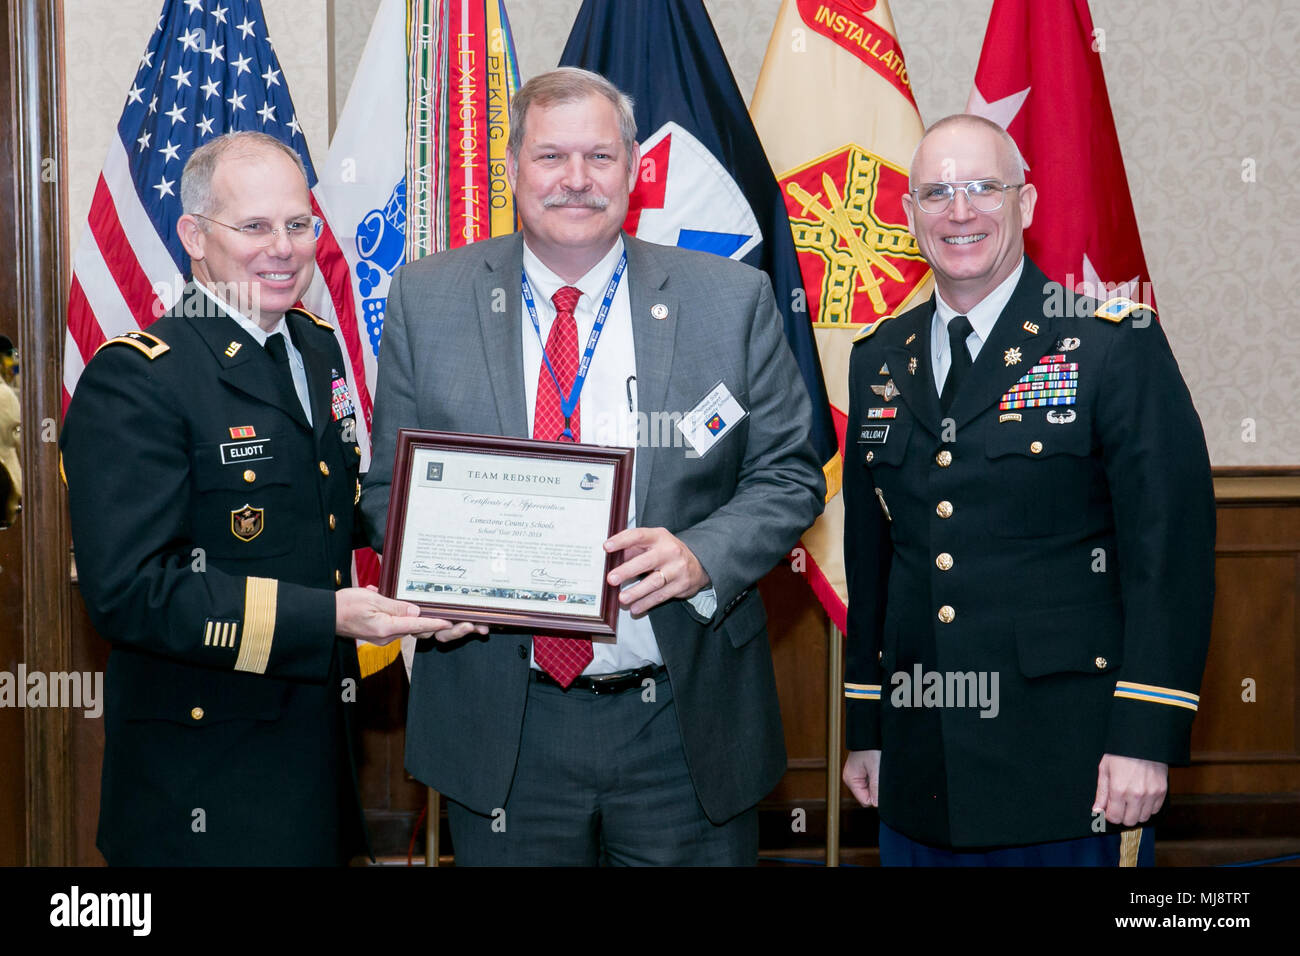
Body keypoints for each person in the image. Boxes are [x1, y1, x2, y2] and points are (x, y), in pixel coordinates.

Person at [361, 68, 824, 865]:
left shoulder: (731, 299)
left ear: (634, 169)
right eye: (550, 157)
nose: (575, 180)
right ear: (512, 172)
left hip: (681, 721)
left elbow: (790, 473)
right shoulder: (426, 299)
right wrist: (443, 572)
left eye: (599, 157)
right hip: (504, 722)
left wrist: (701, 554)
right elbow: (386, 489)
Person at [61, 131, 467, 865]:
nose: (283, 247)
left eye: (298, 223)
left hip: (317, 752)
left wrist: (462, 556)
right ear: (193, 237)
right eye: (254, 226)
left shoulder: (312, 346)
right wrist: (328, 617)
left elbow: (331, 513)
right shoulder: (139, 379)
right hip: (207, 779)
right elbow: (131, 593)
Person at [841, 114, 1216, 866]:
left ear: (1028, 203)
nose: (961, 210)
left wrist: (1146, 735)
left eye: (984, 187)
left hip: (1070, 766)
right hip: (919, 768)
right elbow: (872, 555)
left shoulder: (1110, 341)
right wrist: (868, 727)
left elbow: (1167, 550)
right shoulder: (879, 356)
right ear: (910, 215)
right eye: (937, 192)